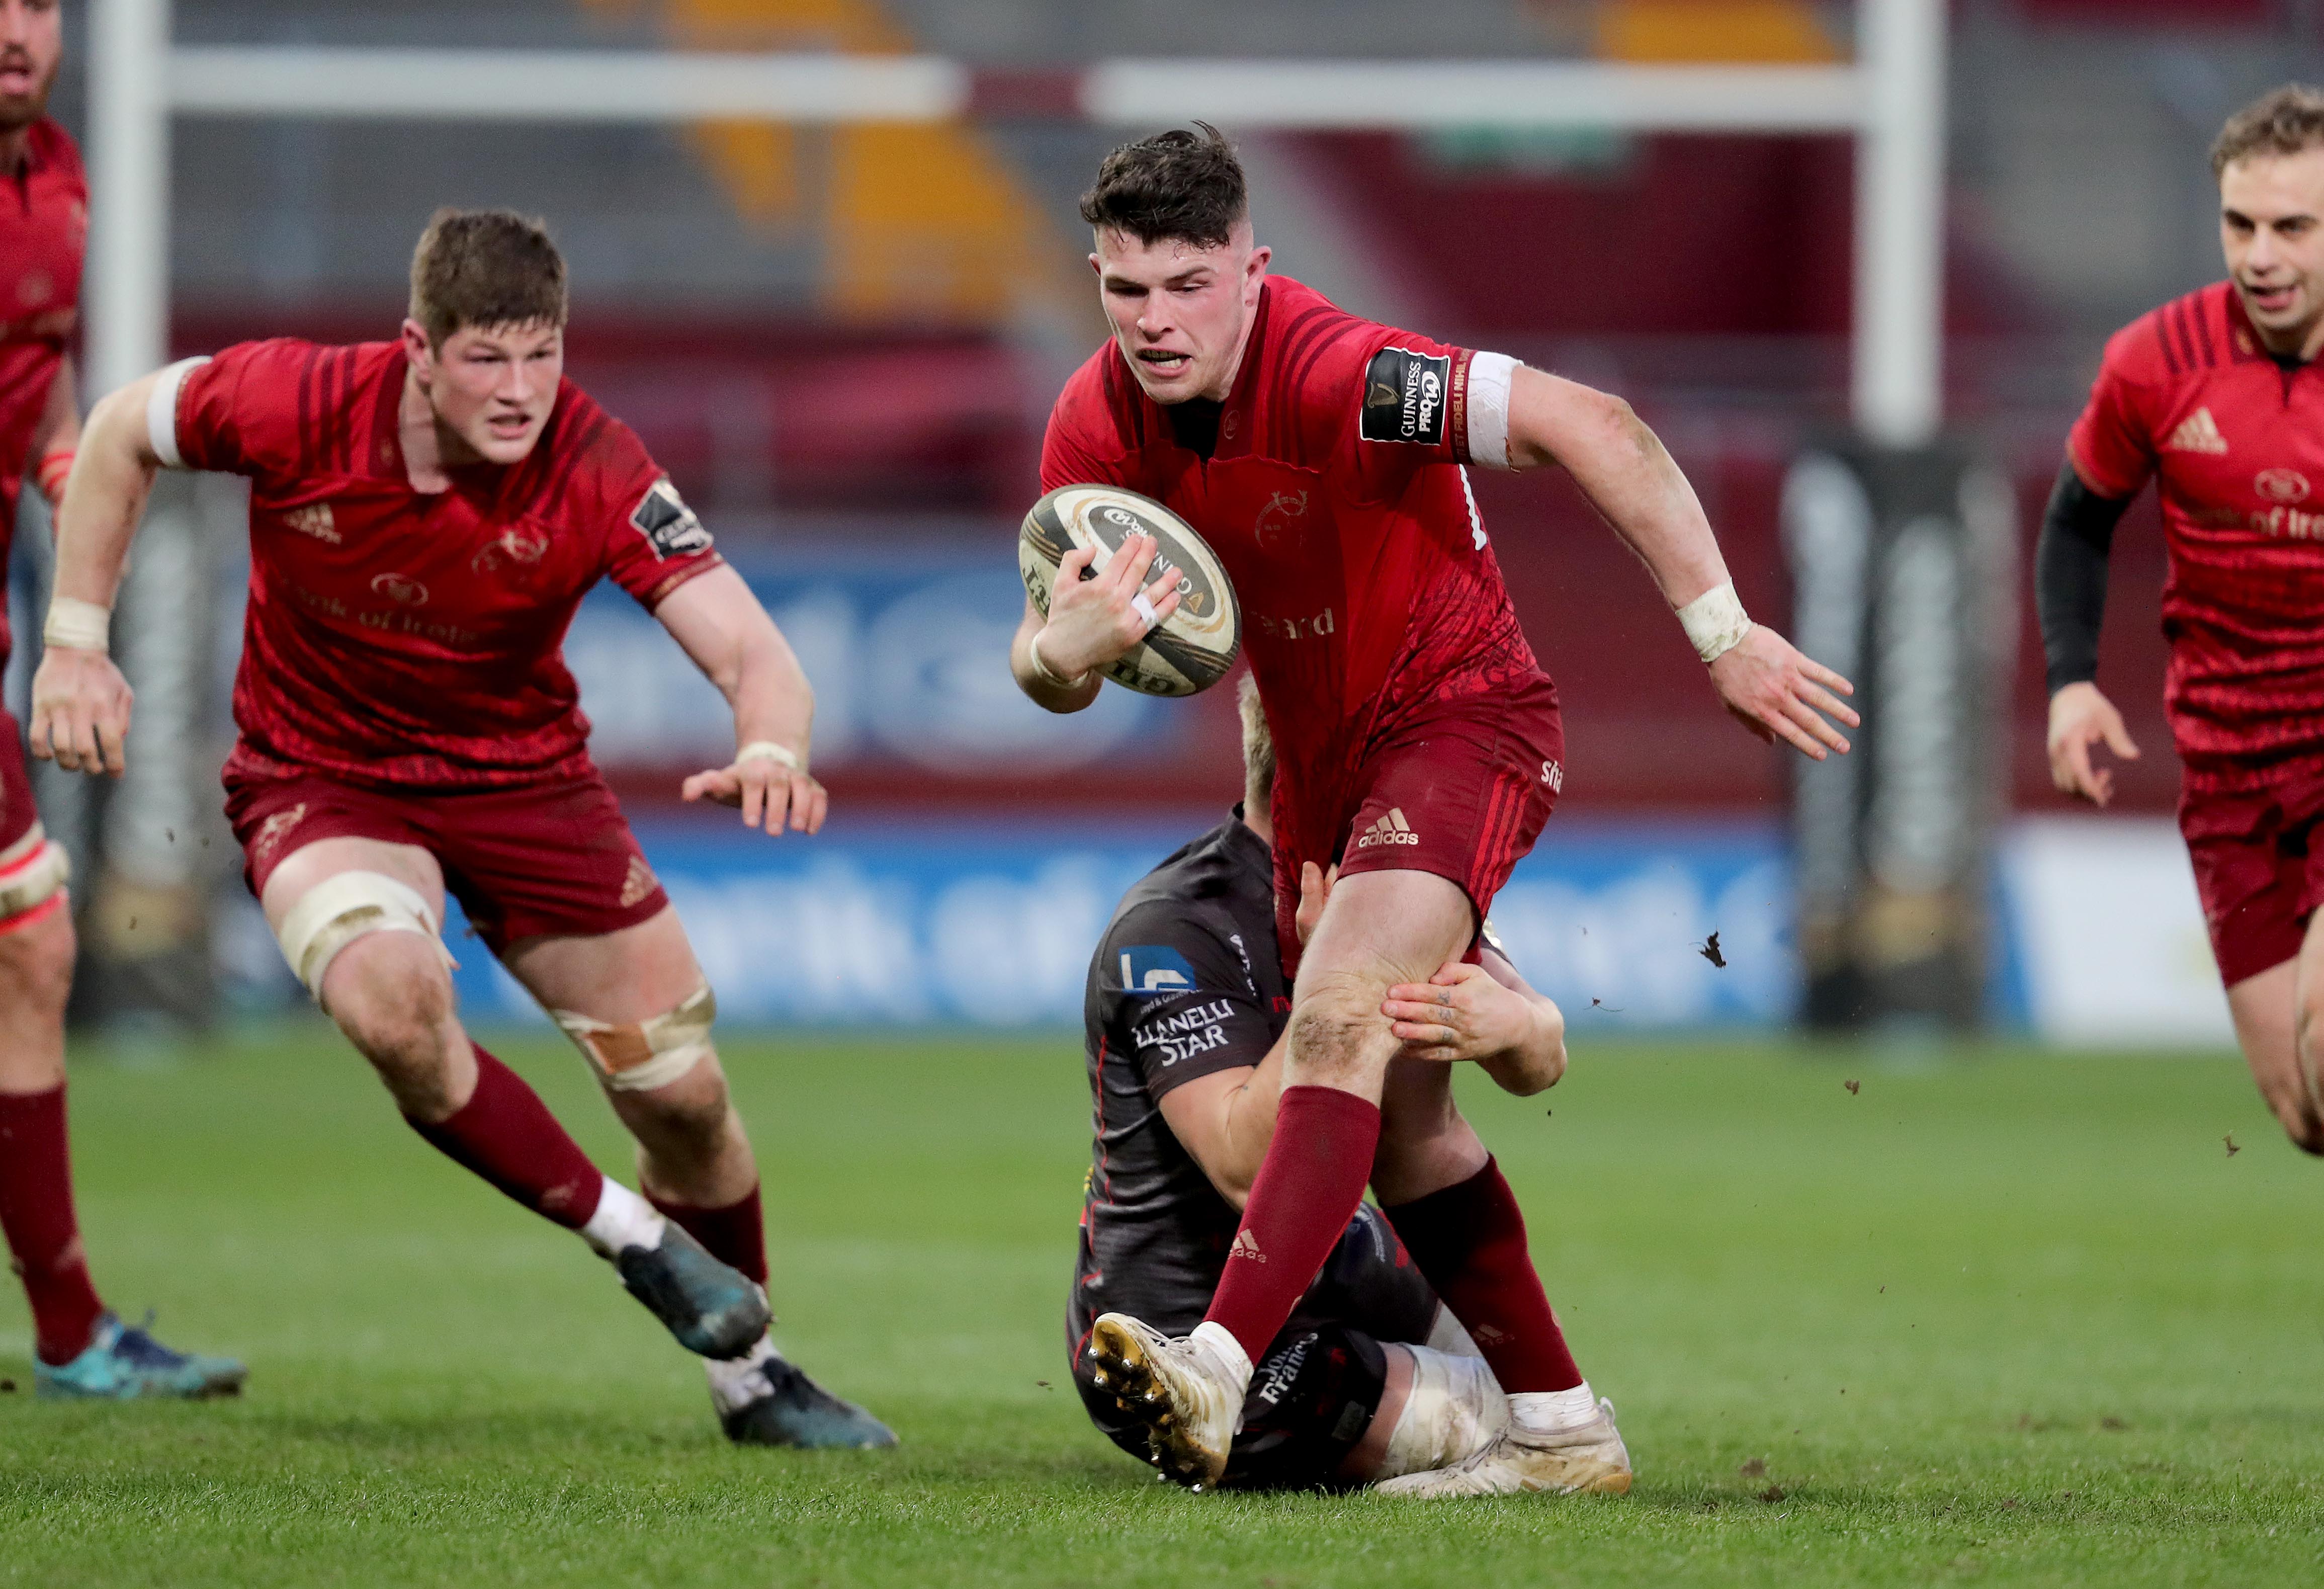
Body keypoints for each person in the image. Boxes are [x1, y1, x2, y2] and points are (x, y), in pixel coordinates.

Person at [1016, 125, 1855, 1495]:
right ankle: (1563, 1432)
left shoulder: (1348, 375)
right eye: (1126, 290)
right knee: (1401, 1118)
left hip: (1462, 721)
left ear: (1250, 268)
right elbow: (1046, 661)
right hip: (1319, 783)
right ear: (1097, 279)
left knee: (1342, 1010)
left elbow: (1595, 423)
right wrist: (1055, 655)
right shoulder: (1093, 425)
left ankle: (1217, 1367)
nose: (1154, 322)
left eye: (1185, 284)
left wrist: (1722, 635)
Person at [32, 207, 889, 1448]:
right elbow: (117, 429)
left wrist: (769, 745)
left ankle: (754, 1378)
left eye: (541, 354)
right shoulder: (295, 399)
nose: (521, 389)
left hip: (525, 785)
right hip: (324, 779)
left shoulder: (595, 461)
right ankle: (634, 1240)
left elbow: (757, 653)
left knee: (687, 1102)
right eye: (486, 357)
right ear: (416, 349)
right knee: (394, 1006)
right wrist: (74, 639)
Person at [1073, 678, 1571, 1490]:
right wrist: (1330, 981)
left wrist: (1517, 1027)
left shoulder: (1396, 885)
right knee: (1491, 1419)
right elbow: (1242, 1167)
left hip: (1353, 1262)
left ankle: (1541, 1416)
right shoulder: (1170, 931)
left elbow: (1541, 1056)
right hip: (1178, 1322)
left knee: (1543, 1405)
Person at [0, 0, 245, 1399]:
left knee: (31, 942)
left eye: (39, 0)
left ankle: (68, 1330)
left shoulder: (64, 177)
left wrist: (60, 482)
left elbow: (38, 381)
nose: (16, 27)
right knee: (30, 937)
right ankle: (67, 1331)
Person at [2041, 84, 2324, 1156]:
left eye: (2292, 226)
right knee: (2304, 1109)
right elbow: (2076, 523)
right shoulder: (2154, 361)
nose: (2259, 253)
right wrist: (2072, 681)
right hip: (2229, 775)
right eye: (2239, 224)